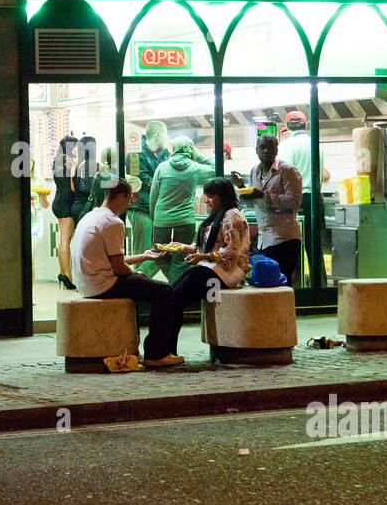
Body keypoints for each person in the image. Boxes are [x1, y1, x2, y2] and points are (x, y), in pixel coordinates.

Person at [69, 178, 178, 367]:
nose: (131, 202)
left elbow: (107, 259)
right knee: (165, 292)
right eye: (129, 198)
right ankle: (156, 353)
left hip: (87, 283)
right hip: (103, 285)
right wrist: (137, 275)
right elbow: (119, 268)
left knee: (146, 286)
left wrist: (142, 257)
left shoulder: (90, 217)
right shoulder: (112, 222)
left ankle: (150, 349)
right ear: (120, 197)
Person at [152, 177, 251, 362]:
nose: (206, 200)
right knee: (170, 294)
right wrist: (182, 247)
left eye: (210, 196)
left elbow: (232, 252)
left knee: (174, 296)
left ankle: (163, 351)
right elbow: (208, 248)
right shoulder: (219, 215)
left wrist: (202, 257)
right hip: (211, 267)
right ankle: (165, 350)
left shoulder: (232, 216)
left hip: (227, 272)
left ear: (222, 196)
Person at [233, 133, 303, 287]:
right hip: (265, 239)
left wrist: (264, 195)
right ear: (256, 150)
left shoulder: (288, 171)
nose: (266, 151)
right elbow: (253, 201)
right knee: (267, 282)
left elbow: (295, 201)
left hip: (285, 238)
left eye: (270, 147)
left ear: (276, 150)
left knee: (282, 283)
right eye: (262, 147)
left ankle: (285, 311)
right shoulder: (255, 171)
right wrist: (241, 187)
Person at [143, 136, 215, 282]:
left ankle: (173, 287)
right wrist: (196, 155)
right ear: (190, 149)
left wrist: (154, 219)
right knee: (180, 259)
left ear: (173, 149)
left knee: (159, 256)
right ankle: (176, 285)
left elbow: (153, 197)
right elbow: (215, 167)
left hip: (161, 220)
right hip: (185, 220)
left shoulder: (162, 167)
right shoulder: (194, 168)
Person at [278, 111, 329, 287]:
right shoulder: (317, 144)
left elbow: (284, 175)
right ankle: (320, 287)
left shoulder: (287, 146)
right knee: (315, 248)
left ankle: (296, 289)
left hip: (296, 201)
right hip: (315, 200)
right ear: (305, 125)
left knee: (293, 248)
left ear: (287, 127)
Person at [128, 120, 170, 264]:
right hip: (140, 208)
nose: (167, 138)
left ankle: (143, 281)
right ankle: (137, 282)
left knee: (156, 253)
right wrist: (162, 183)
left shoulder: (164, 154)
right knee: (142, 251)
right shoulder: (136, 154)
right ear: (158, 134)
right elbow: (140, 179)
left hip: (155, 210)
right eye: (166, 134)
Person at [50, 135, 78, 290]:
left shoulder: (58, 160)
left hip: (59, 200)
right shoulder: (69, 162)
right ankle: (68, 276)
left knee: (64, 240)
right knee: (65, 240)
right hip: (66, 203)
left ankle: (63, 273)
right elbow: (73, 187)